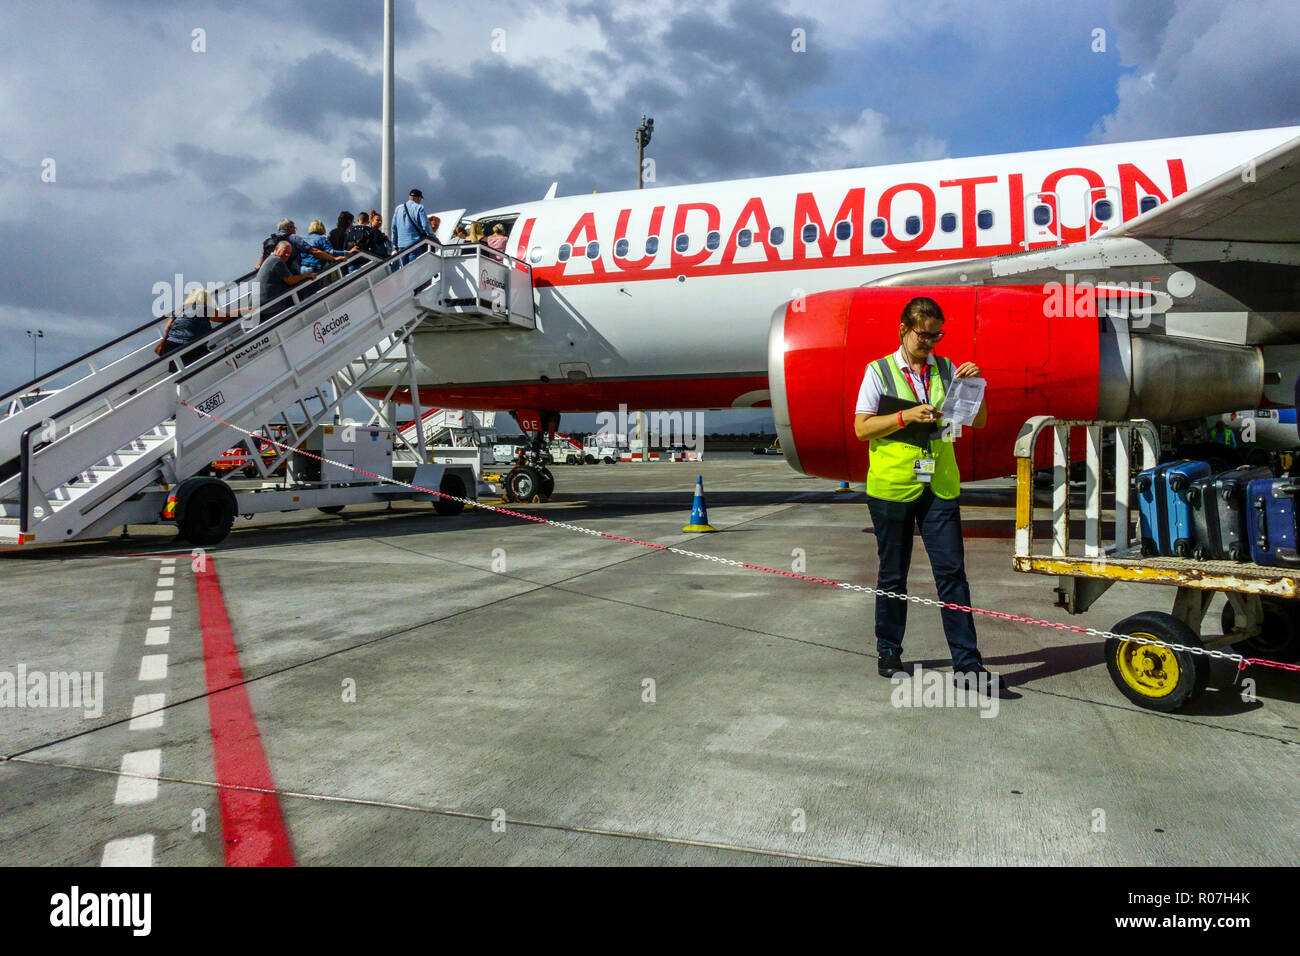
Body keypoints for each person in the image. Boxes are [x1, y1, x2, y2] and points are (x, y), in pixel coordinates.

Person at [853, 296, 1009, 697]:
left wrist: (974, 384)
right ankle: (888, 650)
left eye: (937, 334)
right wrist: (906, 416)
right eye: (923, 334)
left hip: (938, 486)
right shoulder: (879, 372)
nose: (930, 342)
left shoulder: (948, 369)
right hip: (891, 488)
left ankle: (968, 665)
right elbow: (862, 429)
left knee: (952, 574)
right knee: (893, 573)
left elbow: (980, 419)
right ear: (903, 330)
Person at [156, 289, 243, 370]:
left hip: (170, 345)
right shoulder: (202, 308)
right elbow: (223, 317)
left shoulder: (180, 311)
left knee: (179, 373)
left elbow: (167, 327)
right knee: (210, 368)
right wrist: (245, 309)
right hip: (189, 346)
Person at [256, 240, 318, 318]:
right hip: (268, 306)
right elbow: (290, 280)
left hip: (260, 305)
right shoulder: (277, 260)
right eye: (285, 251)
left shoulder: (270, 259)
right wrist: (306, 275)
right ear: (276, 249)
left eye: (289, 253)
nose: (287, 255)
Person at [391, 188, 440, 262]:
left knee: (404, 271)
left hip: (401, 245)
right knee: (414, 270)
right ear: (418, 198)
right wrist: (434, 238)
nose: (420, 201)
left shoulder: (398, 208)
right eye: (420, 199)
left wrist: (394, 244)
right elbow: (426, 225)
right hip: (415, 244)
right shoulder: (419, 207)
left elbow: (394, 228)